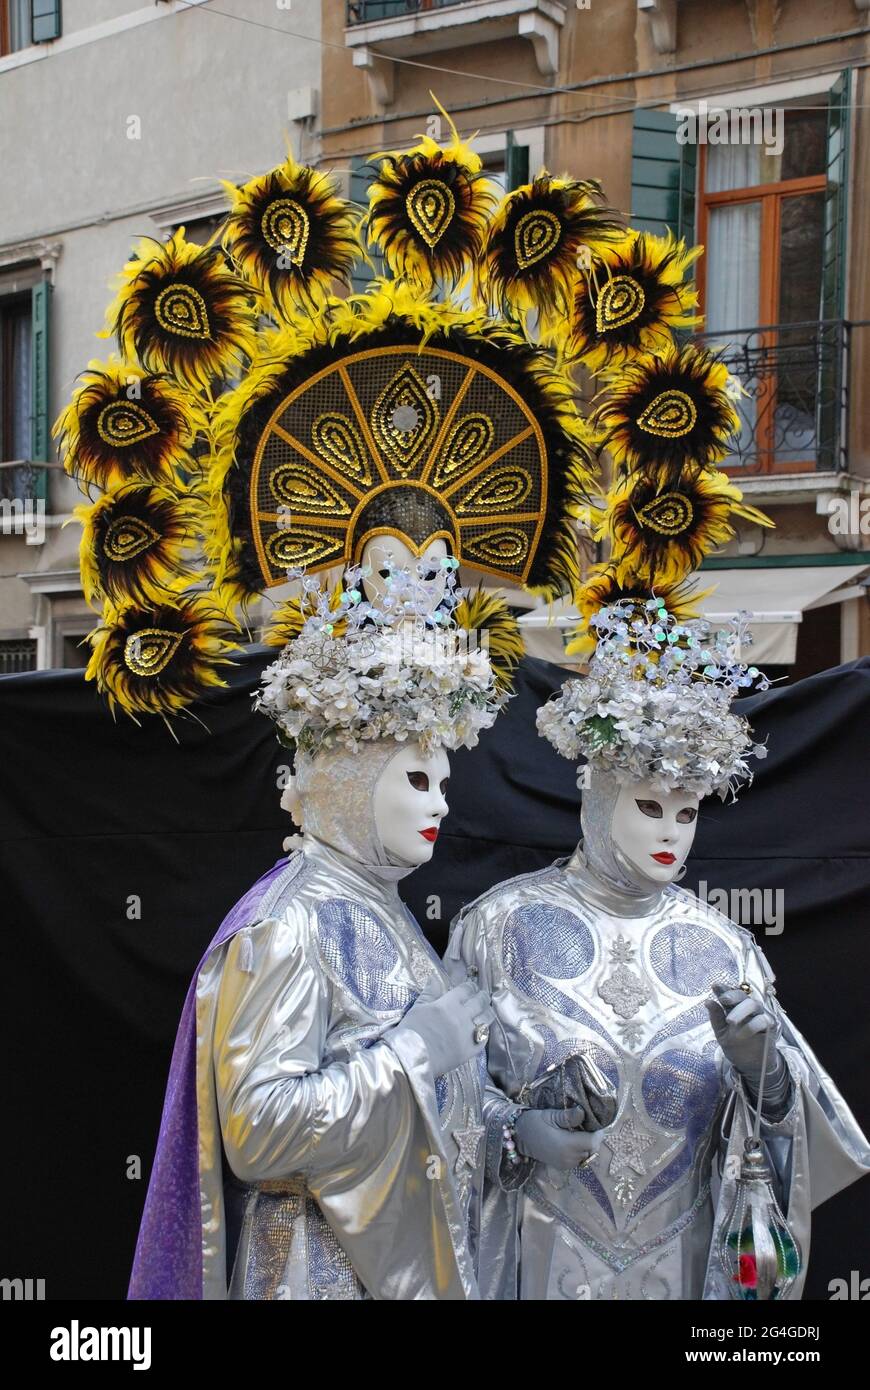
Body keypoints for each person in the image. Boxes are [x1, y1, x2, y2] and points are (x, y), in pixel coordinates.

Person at [449, 599, 870, 1300]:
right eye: (648, 806)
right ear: (601, 794)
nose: (670, 832)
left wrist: (765, 1082)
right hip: (539, 1261)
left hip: (683, 1270)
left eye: (687, 811)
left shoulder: (726, 950)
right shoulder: (496, 927)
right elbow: (435, 1098)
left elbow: (800, 1141)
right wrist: (515, 1130)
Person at [128, 566, 502, 1299]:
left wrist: (516, 1134)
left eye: (445, 784)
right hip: (315, 1272)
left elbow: (429, 1112)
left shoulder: (382, 909)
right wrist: (415, 1050)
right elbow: (258, 1132)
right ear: (351, 779)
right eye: (416, 780)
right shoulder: (287, 921)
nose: (440, 808)